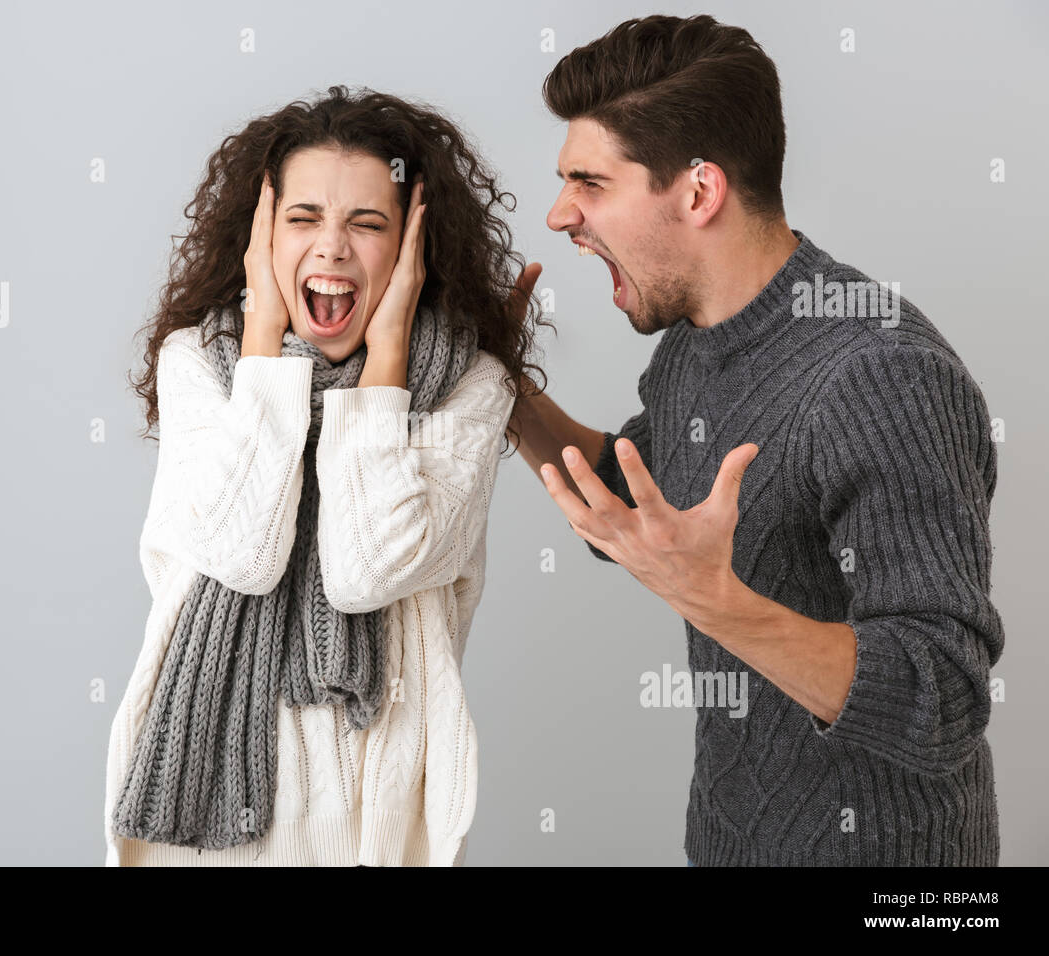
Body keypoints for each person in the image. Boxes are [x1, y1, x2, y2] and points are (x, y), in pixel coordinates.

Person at [508, 15, 1003, 866]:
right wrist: (504, 386)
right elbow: (636, 507)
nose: (560, 215)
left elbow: (944, 696)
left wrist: (714, 599)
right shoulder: (692, 344)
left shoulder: (881, 373)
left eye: (589, 182)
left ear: (699, 192)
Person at [104, 85, 545, 866]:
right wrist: (264, 339)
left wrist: (389, 357)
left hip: (378, 812)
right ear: (260, 235)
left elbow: (365, 571)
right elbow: (242, 554)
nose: (333, 247)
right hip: (193, 821)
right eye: (303, 218)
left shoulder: (470, 387)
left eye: (368, 224)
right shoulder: (199, 365)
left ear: (414, 248)